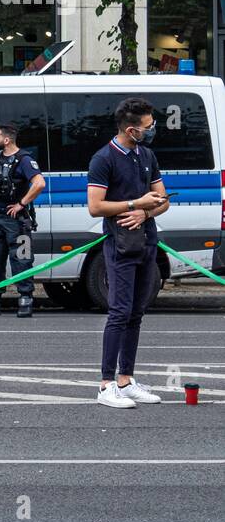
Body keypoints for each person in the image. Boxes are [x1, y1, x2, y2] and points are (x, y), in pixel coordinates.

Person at [87, 97, 169, 408]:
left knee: (136, 313)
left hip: (147, 241)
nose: (152, 130)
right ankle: (106, 384)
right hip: (120, 243)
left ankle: (126, 379)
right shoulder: (103, 159)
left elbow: (163, 200)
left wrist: (146, 214)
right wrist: (135, 205)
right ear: (131, 129)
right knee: (119, 313)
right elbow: (95, 207)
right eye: (148, 127)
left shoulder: (146, 154)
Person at [0, 124, 46, 318]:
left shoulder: (24, 160)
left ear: (6, 140)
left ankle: (25, 299)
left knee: (22, 259)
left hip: (17, 220)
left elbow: (39, 183)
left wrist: (21, 204)